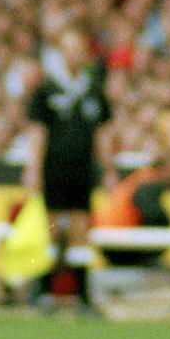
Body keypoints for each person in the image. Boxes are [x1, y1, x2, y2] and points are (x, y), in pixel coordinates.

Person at [24, 29, 110, 315]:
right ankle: (45, 291)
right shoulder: (47, 90)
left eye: (78, 49)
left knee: (80, 232)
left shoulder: (93, 90)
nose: (74, 54)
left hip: (82, 170)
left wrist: (108, 169)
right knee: (51, 232)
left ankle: (82, 295)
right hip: (54, 170)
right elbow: (38, 132)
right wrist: (33, 168)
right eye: (69, 48)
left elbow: (103, 133)